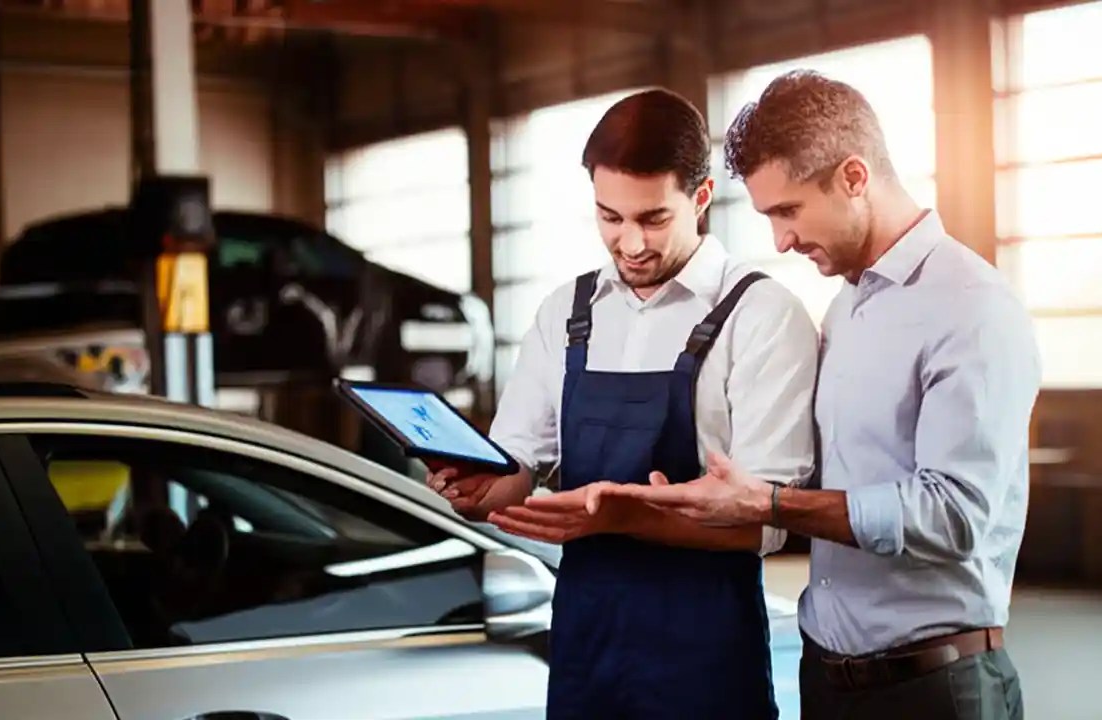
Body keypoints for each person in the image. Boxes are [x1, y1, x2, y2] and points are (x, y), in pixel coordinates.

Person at [571, 71, 1040, 720]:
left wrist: (767, 501)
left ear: (853, 177)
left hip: (936, 689)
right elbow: (833, 481)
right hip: (828, 679)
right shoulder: (846, 310)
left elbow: (955, 516)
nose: (780, 241)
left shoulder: (971, 308)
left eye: (787, 211)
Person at [426, 87, 818, 719]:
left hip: (706, 664)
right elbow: (517, 466)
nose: (630, 243)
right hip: (586, 655)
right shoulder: (566, 313)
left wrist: (619, 517)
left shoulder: (763, 316)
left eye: (652, 219)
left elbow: (765, 523)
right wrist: (478, 487)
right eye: (610, 217)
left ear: (701, 197)